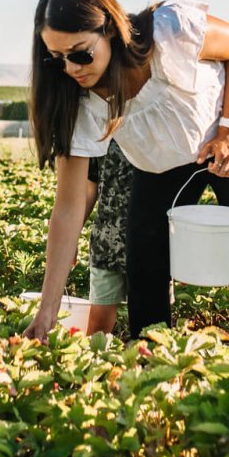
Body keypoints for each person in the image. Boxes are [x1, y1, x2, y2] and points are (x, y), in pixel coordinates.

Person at [26, 0, 229, 350]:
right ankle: (152, 374)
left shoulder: (170, 30)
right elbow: (68, 207)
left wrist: (227, 131)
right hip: (161, 161)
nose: (71, 69)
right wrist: (45, 314)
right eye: (56, 58)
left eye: (81, 53)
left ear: (110, 30)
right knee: (144, 267)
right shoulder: (74, 101)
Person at [82, 140, 133, 335]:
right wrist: (72, 238)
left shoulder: (156, 124)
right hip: (107, 242)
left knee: (150, 327)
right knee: (98, 328)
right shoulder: (102, 132)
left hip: (151, 241)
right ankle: (94, 364)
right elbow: (89, 188)